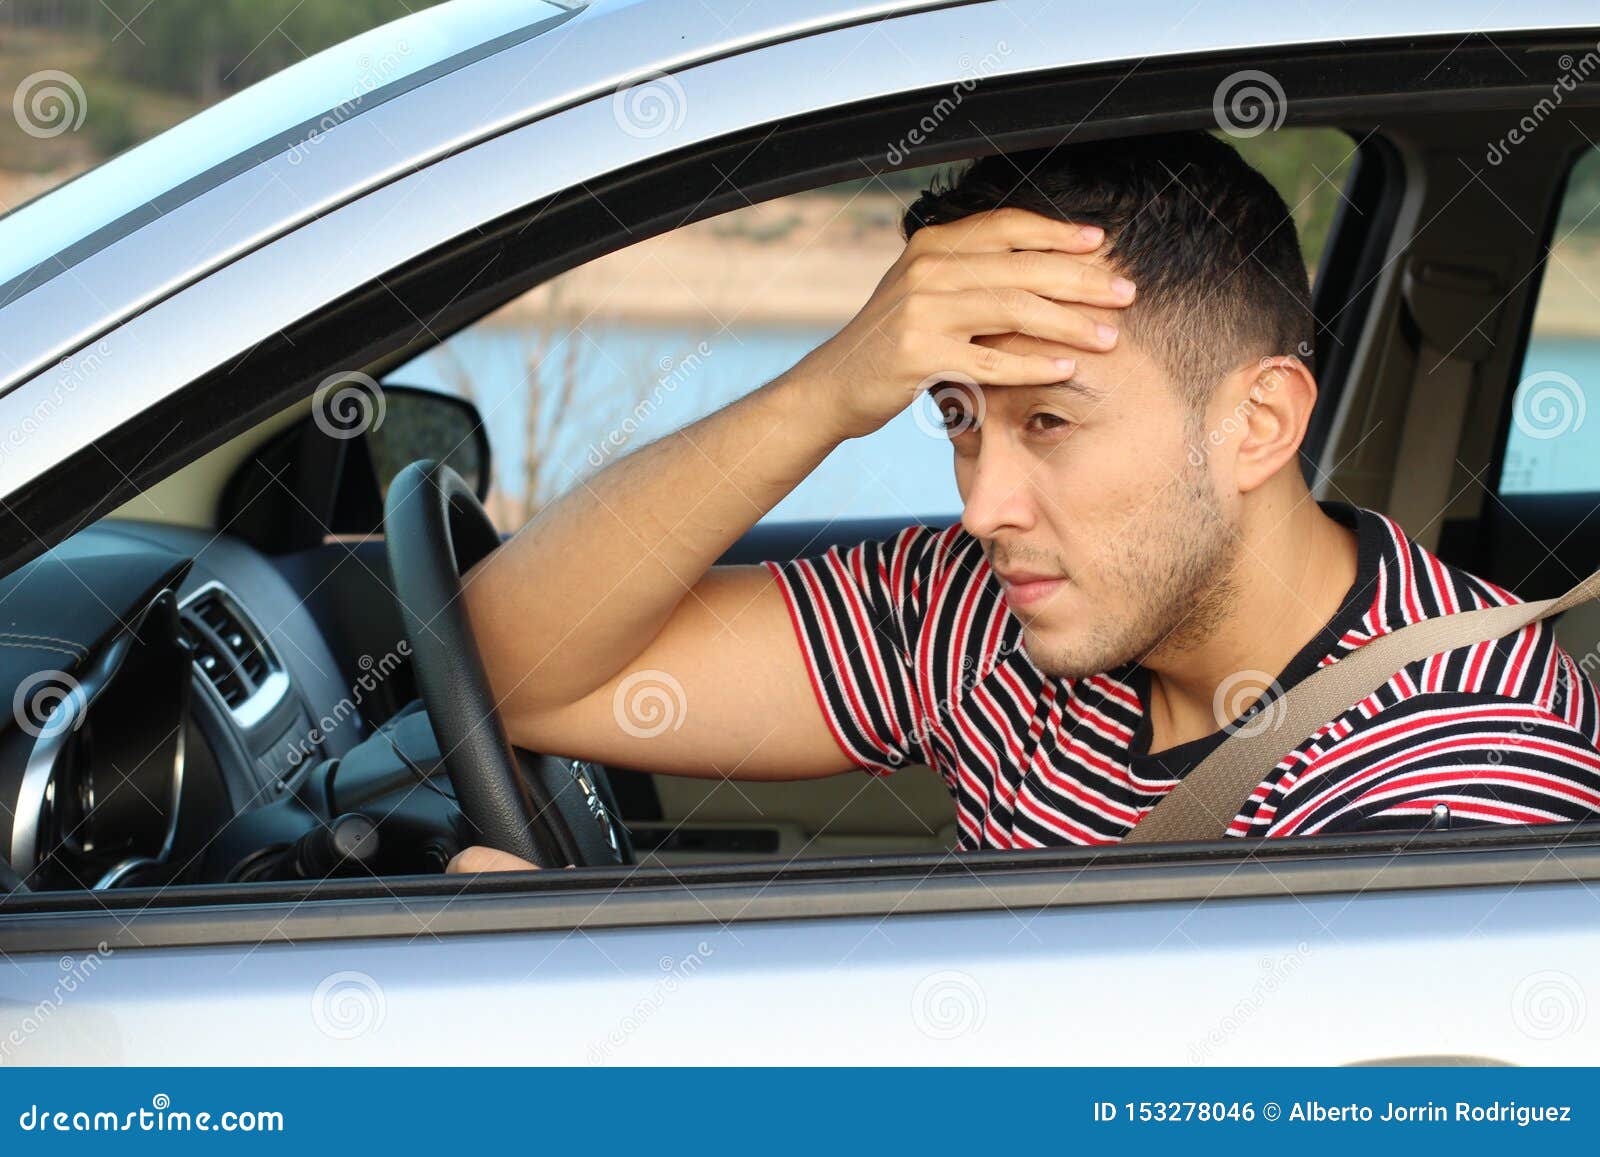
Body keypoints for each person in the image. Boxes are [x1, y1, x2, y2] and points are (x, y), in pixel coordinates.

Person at [448, 132, 1600, 872]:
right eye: (956, 416)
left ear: (1256, 425)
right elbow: (519, 670)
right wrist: (826, 390)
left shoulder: (1460, 786)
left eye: (1048, 420)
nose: (984, 503)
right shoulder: (994, 609)